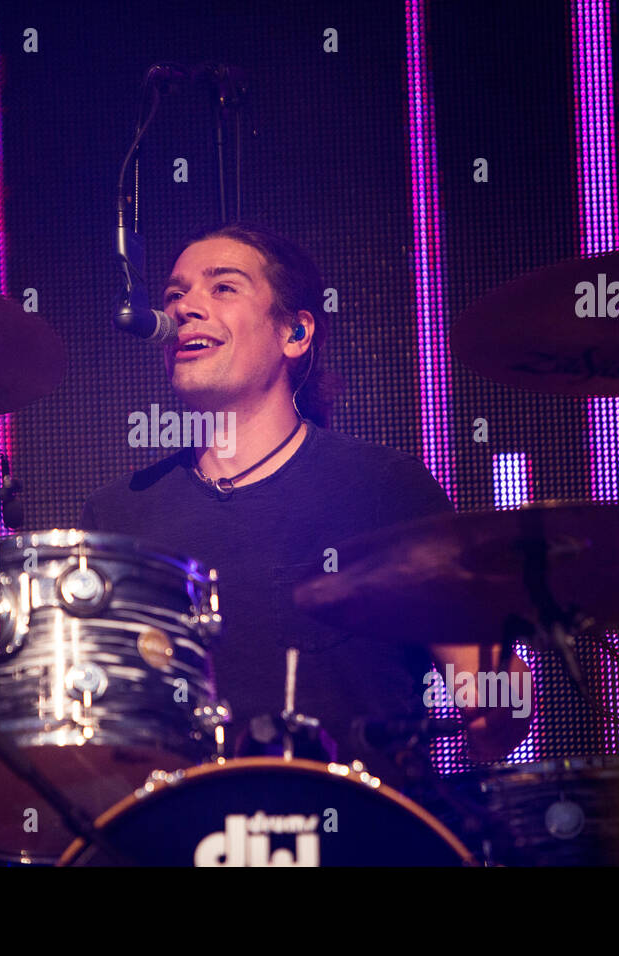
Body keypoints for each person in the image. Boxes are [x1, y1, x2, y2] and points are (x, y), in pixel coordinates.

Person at [81, 222, 530, 764]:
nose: (184, 308)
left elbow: (500, 707)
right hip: (183, 815)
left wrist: (499, 698)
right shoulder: (119, 514)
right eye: (175, 294)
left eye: (223, 287)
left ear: (295, 333)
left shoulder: (384, 488)